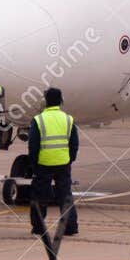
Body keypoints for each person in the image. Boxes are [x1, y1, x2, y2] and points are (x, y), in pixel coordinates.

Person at [29, 88, 79, 236]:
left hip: (44, 164)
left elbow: (33, 144)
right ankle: (70, 227)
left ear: (46, 101)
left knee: (39, 196)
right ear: (61, 101)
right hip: (63, 163)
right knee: (65, 195)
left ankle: (38, 227)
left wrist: (34, 164)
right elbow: (74, 143)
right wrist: (70, 159)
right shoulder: (68, 119)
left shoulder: (39, 120)